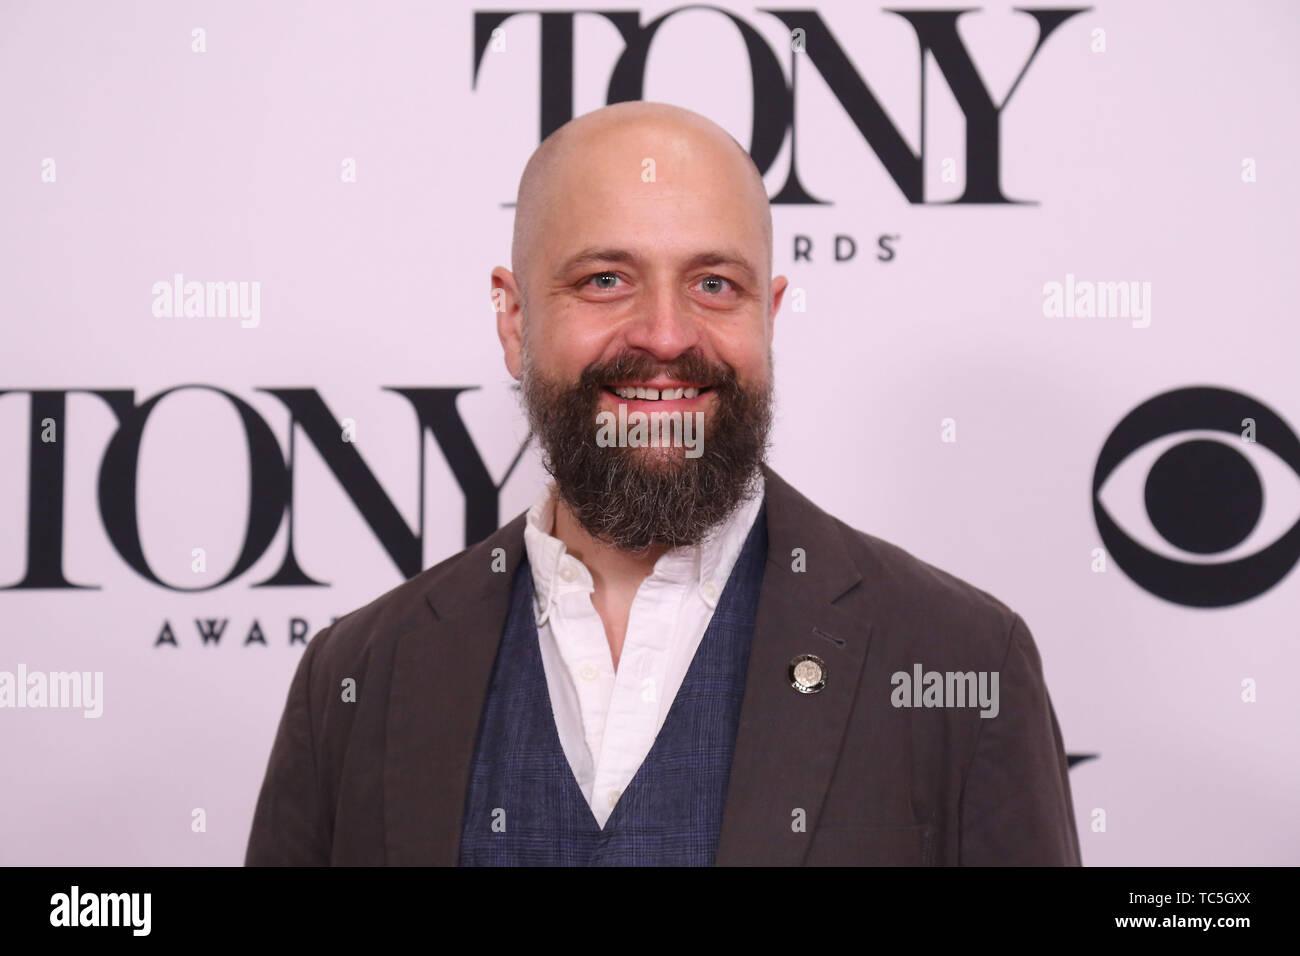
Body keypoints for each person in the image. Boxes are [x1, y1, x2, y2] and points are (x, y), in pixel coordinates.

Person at [245, 101, 1081, 866]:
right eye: (605, 279)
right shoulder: (356, 678)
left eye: (714, 285)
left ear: (769, 315)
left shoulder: (961, 658)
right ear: (514, 319)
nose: (667, 335)